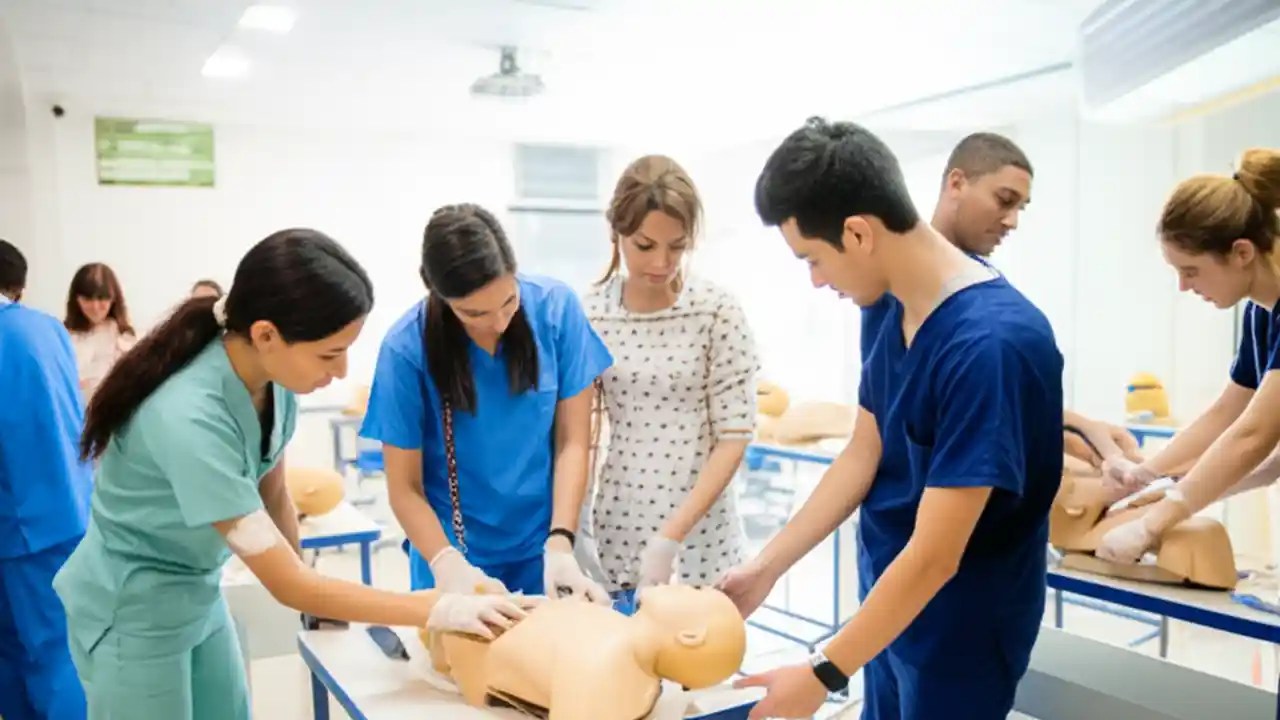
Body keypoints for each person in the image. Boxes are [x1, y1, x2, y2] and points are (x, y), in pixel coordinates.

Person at [51, 229, 532, 718]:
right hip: (132, 607)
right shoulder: (187, 417)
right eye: (329, 354)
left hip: (197, 593)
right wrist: (437, 606)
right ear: (265, 335)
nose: (343, 371)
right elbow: (285, 584)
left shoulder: (271, 383)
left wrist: (316, 597)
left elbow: (274, 490)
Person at [720, 118, 1064, 720]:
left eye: (813, 259)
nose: (818, 280)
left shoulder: (991, 345)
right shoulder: (886, 303)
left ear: (857, 233)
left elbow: (936, 556)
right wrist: (766, 567)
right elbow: (864, 450)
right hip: (886, 598)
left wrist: (824, 671)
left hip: (960, 622)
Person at [361, 204, 613, 601]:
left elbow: (572, 442)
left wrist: (562, 541)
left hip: (542, 547)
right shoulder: (406, 349)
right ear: (439, 294)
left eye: (508, 303)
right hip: (451, 554)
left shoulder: (555, 310)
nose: (498, 323)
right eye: (473, 312)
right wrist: (446, 563)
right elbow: (404, 487)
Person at [862, 131, 1141, 470]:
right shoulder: (898, 285)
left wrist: (1079, 433)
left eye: (1020, 208)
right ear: (957, 183)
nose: (1012, 221)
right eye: (1004, 200)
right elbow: (914, 414)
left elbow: (986, 403)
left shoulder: (981, 290)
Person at [583, 155, 759, 591]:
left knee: (701, 653)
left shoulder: (715, 311)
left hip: (703, 536)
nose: (662, 262)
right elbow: (579, 434)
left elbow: (734, 436)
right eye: (645, 245)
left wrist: (671, 536)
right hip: (619, 522)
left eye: (677, 246)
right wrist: (571, 532)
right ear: (616, 232)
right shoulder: (591, 314)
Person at [1098, 149, 1280, 563]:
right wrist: (1149, 474)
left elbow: (1253, 435)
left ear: (1241, 253)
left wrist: (1152, 524)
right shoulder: (1261, 313)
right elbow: (1227, 413)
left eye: (1191, 271)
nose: (1183, 286)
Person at [0, 240, 91, 720]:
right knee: (56, 651)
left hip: (18, 522)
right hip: (62, 512)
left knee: (20, 656)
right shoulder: (46, 328)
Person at [64, 262, 137, 399]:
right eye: (87, 299)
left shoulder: (125, 339)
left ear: (114, 298)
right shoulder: (61, 336)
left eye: (102, 298)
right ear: (76, 299)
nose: (95, 307)